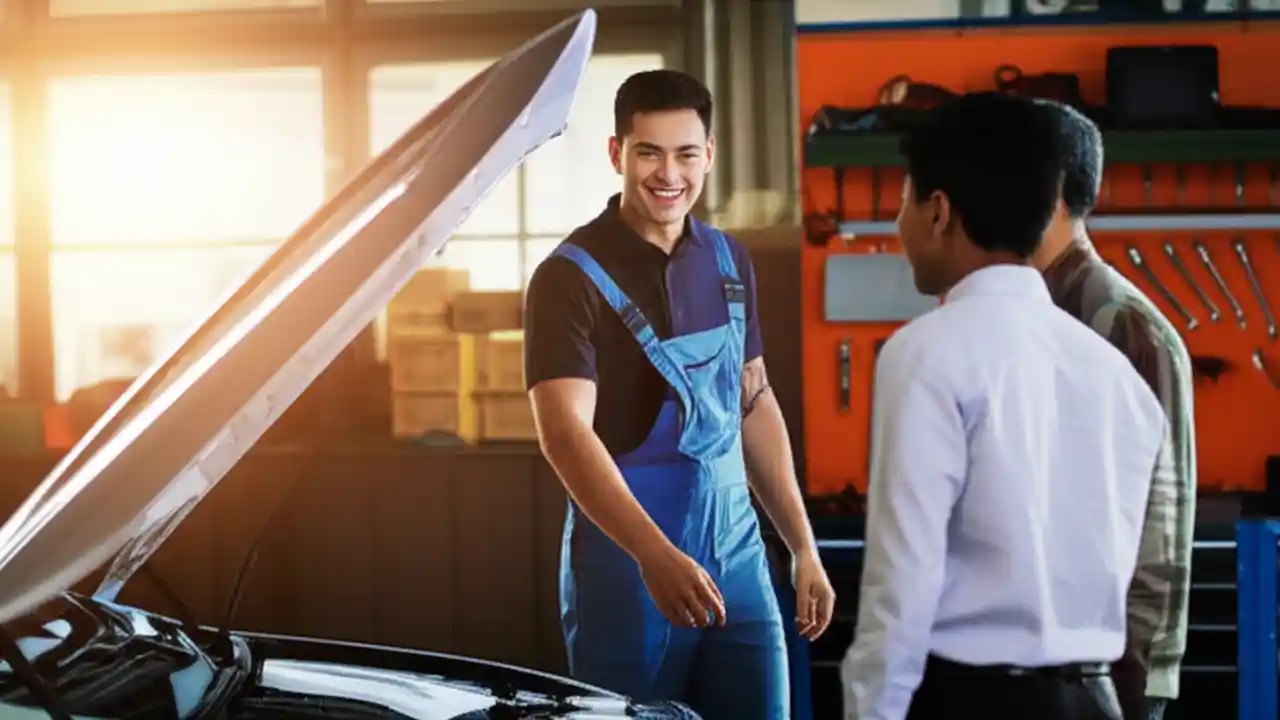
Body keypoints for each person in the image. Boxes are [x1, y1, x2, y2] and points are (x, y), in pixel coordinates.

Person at [839, 92, 1173, 720]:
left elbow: (901, 585)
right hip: (1096, 698)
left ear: (939, 211)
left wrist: (870, 710)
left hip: (973, 700)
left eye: (903, 200)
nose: (897, 224)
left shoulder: (927, 352)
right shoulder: (1115, 374)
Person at [524, 68, 835, 720]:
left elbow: (753, 403)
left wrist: (802, 545)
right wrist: (654, 556)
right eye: (649, 153)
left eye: (686, 154)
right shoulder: (567, 279)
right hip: (626, 567)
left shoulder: (729, 262)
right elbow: (564, 434)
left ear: (709, 156)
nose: (669, 174)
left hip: (738, 557)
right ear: (617, 154)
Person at [1032, 100, 1195, 720]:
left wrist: (1133, 683)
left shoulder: (1122, 325)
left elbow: (1161, 514)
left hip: (1108, 677)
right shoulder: (1027, 314)